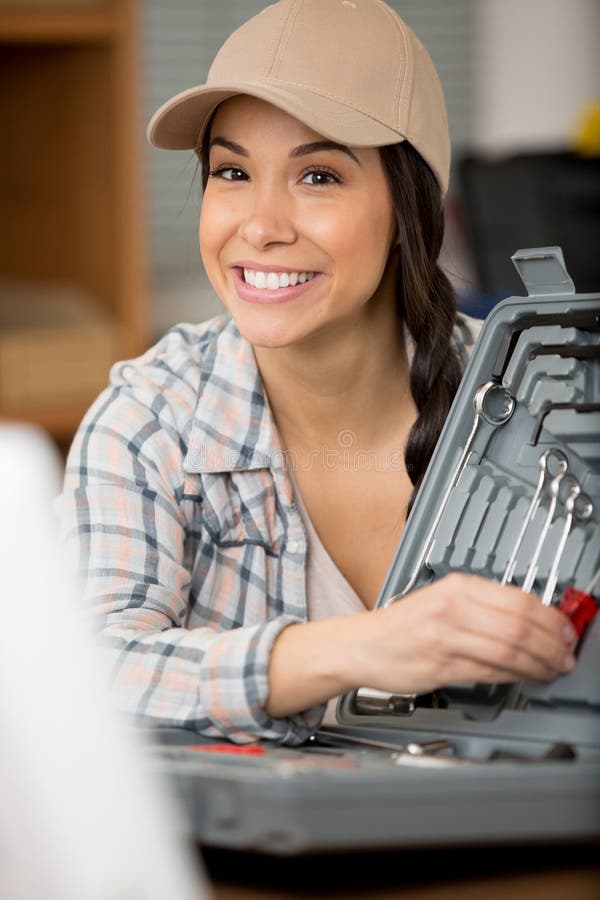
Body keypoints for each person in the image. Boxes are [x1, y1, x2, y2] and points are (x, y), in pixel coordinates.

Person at [56, 0, 577, 745]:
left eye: (319, 177)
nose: (261, 226)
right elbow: (86, 669)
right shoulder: (150, 418)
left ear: (410, 207)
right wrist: (358, 649)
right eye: (232, 171)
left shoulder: (544, 394)